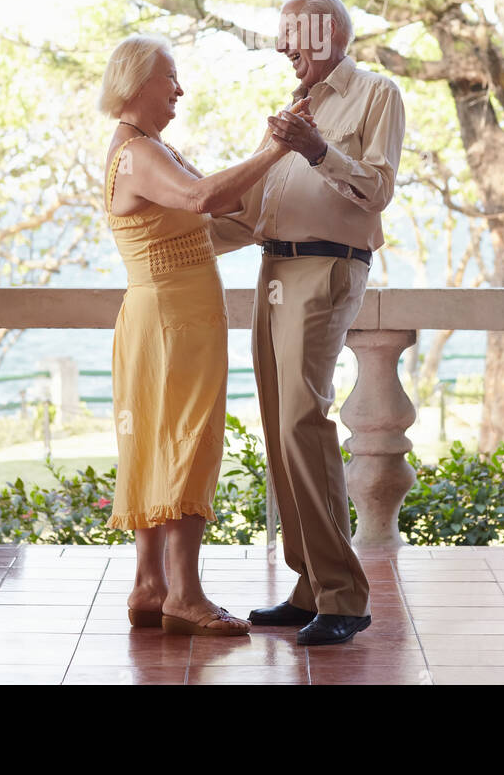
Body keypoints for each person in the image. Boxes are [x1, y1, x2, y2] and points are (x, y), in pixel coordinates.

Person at [98, 33, 314, 637]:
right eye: (171, 77)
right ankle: (185, 595)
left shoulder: (144, 148)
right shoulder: (139, 155)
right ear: (139, 82)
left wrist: (276, 145)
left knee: (153, 443)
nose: (180, 89)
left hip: (160, 318)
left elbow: (225, 203)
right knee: (188, 442)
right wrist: (275, 148)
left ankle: (149, 585)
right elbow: (202, 196)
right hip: (173, 321)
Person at [209, 0, 406, 646]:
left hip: (327, 268)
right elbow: (251, 215)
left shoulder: (376, 94)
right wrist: (168, 225)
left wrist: (317, 149)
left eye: (291, 33)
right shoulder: (291, 113)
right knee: (277, 426)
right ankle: (308, 587)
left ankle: (344, 596)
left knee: (301, 420)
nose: (280, 45)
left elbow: (376, 190)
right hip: (272, 270)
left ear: (326, 33)